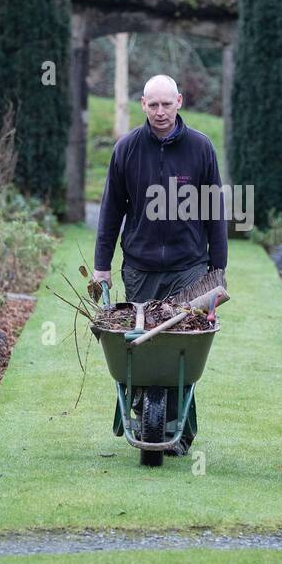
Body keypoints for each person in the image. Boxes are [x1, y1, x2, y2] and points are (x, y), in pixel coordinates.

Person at [93, 74, 228, 456]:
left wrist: (217, 271)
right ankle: (145, 418)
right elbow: (109, 212)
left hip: (188, 266)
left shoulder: (200, 149)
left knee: (183, 349)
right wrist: (102, 265)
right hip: (140, 267)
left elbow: (215, 215)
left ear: (180, 102)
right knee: (143, 347)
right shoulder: (127, 150)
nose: (160, 111)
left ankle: (182, 433)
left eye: (166, 104)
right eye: (153, 104)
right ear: (142, 104)